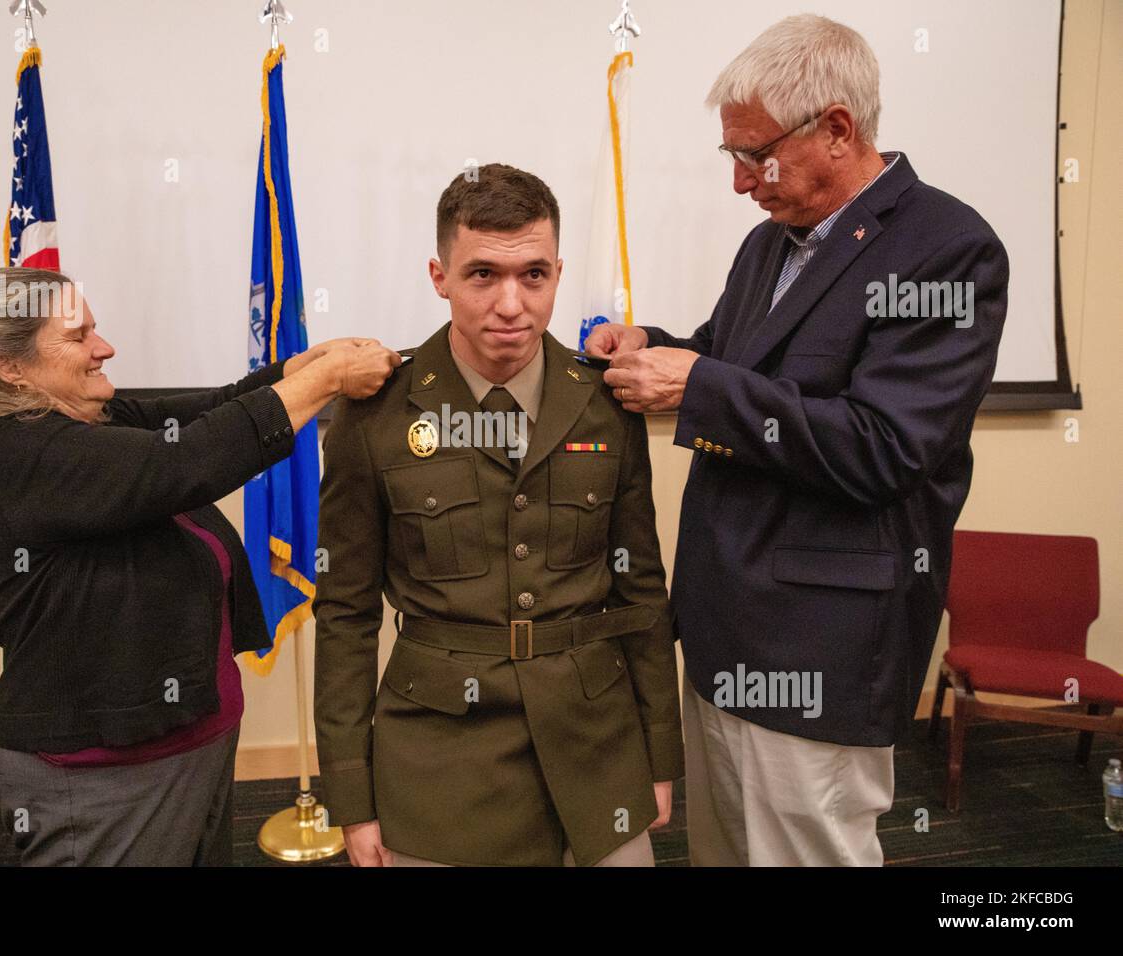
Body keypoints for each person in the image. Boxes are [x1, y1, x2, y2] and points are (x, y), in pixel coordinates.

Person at [588, 14, 1009, 866]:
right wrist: (651, 345)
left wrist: (699, 385)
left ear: (839, 129)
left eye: (755, 156)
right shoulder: (768, 244)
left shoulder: (949, 251)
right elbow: (737, 360)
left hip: (818, 649)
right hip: (722, 632)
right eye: (730, 158)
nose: (741, 182)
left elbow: (884, 445)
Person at [0, 266, 400, 865]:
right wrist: (327, 380)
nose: (103, 347)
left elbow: (206, 414)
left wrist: (296, 369)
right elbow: (189, 462)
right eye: (77, 336)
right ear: (9, 367)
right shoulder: (18, 452)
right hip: (101, 779)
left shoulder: (84, 419)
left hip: (186, 747)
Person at [313, 163, 683, 867]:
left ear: (557, 273)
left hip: (596, 750)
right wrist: (352, 797)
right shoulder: (378, 413)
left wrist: (659, 755)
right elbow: (346, 612)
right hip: (439, 763)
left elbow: (641, 594)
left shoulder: (606, 403)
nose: (512, 303)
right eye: (483, 274)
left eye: (534, 275)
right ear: (439, 275)